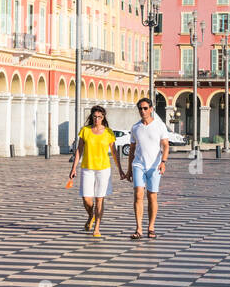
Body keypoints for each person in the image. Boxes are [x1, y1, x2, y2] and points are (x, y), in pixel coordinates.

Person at [68, 105, 122, 239]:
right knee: (87, 199)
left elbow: (114, 152)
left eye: (99, 117)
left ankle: (97, 226)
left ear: (103, 118)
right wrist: (73, 168)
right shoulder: (85, 131)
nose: (97, 119)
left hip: (103, 169)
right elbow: (79, 150)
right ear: (91, 117)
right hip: (87, 167)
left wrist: (120, 169)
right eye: (95, 116)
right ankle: (91, 216)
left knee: (99, 199)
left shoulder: (109, 132)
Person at [125, 96, 170, 239]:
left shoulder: (159, 125)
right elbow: (132, 149)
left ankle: (151, 227)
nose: (143, 111)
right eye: (140, 108)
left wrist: (163, 162)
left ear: (151, 109)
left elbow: (165, 145)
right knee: (138, 195)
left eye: (145, 108)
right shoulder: (135, 127)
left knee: (152, 196)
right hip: (138, 164)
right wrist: (129, 169)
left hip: (154, 166)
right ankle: (139, 228)